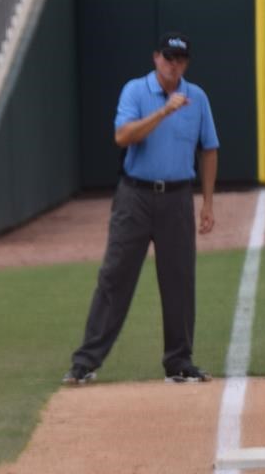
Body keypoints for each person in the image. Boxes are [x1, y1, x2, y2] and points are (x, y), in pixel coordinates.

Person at [64, 31, 220, 386]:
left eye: (179, 59)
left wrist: (208, 203)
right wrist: (164, 111)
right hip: (135, 196)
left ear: (186, 63)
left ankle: (179, 362)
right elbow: (123, 136)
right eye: (168, 58)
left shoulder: (197, 98)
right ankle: (85, 362)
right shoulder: (135, 91)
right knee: (115, 276)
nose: (173, 64)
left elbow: (209, 149)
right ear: (156, 58)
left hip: (178, 197)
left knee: (179, 280)